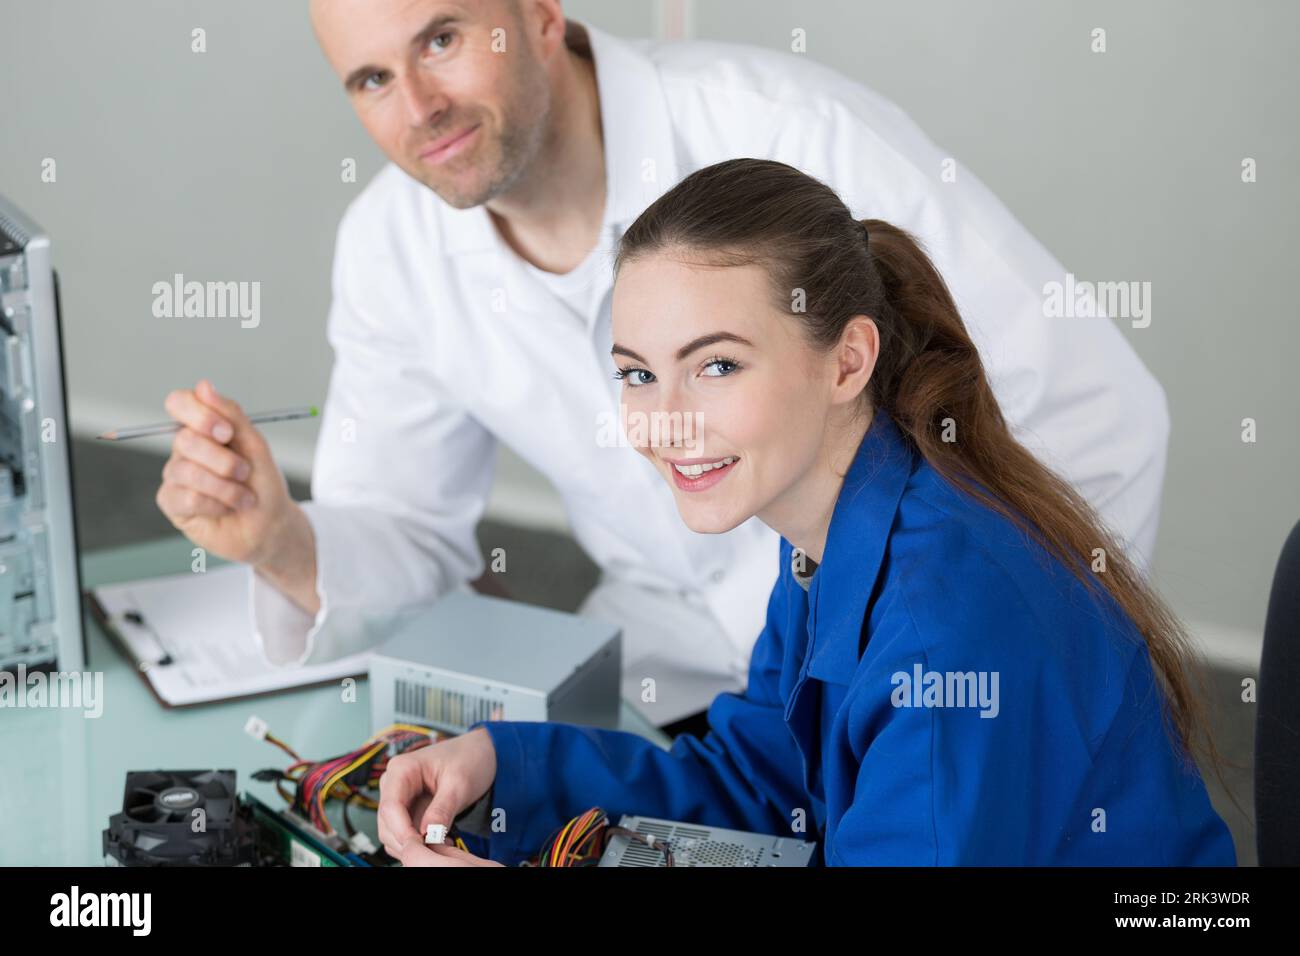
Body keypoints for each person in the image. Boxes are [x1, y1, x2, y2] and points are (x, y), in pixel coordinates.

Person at [155, 0, 1171, 736]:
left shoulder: (789, 134)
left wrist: (979, 690)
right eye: (372, 79)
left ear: (541, 16)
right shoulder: (389, 244)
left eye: (443, 38)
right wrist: (281, 539)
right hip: (667, 671)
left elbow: (1095, 413)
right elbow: (412, 533)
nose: (417, 105)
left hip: (902, 674)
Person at [376, 159, 1235, 867]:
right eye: (638, 373)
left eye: (716, 366)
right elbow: (764, 789)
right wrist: (512, 772)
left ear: (846, 361)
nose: (666, 420)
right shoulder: (826, 537)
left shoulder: (946, 633)